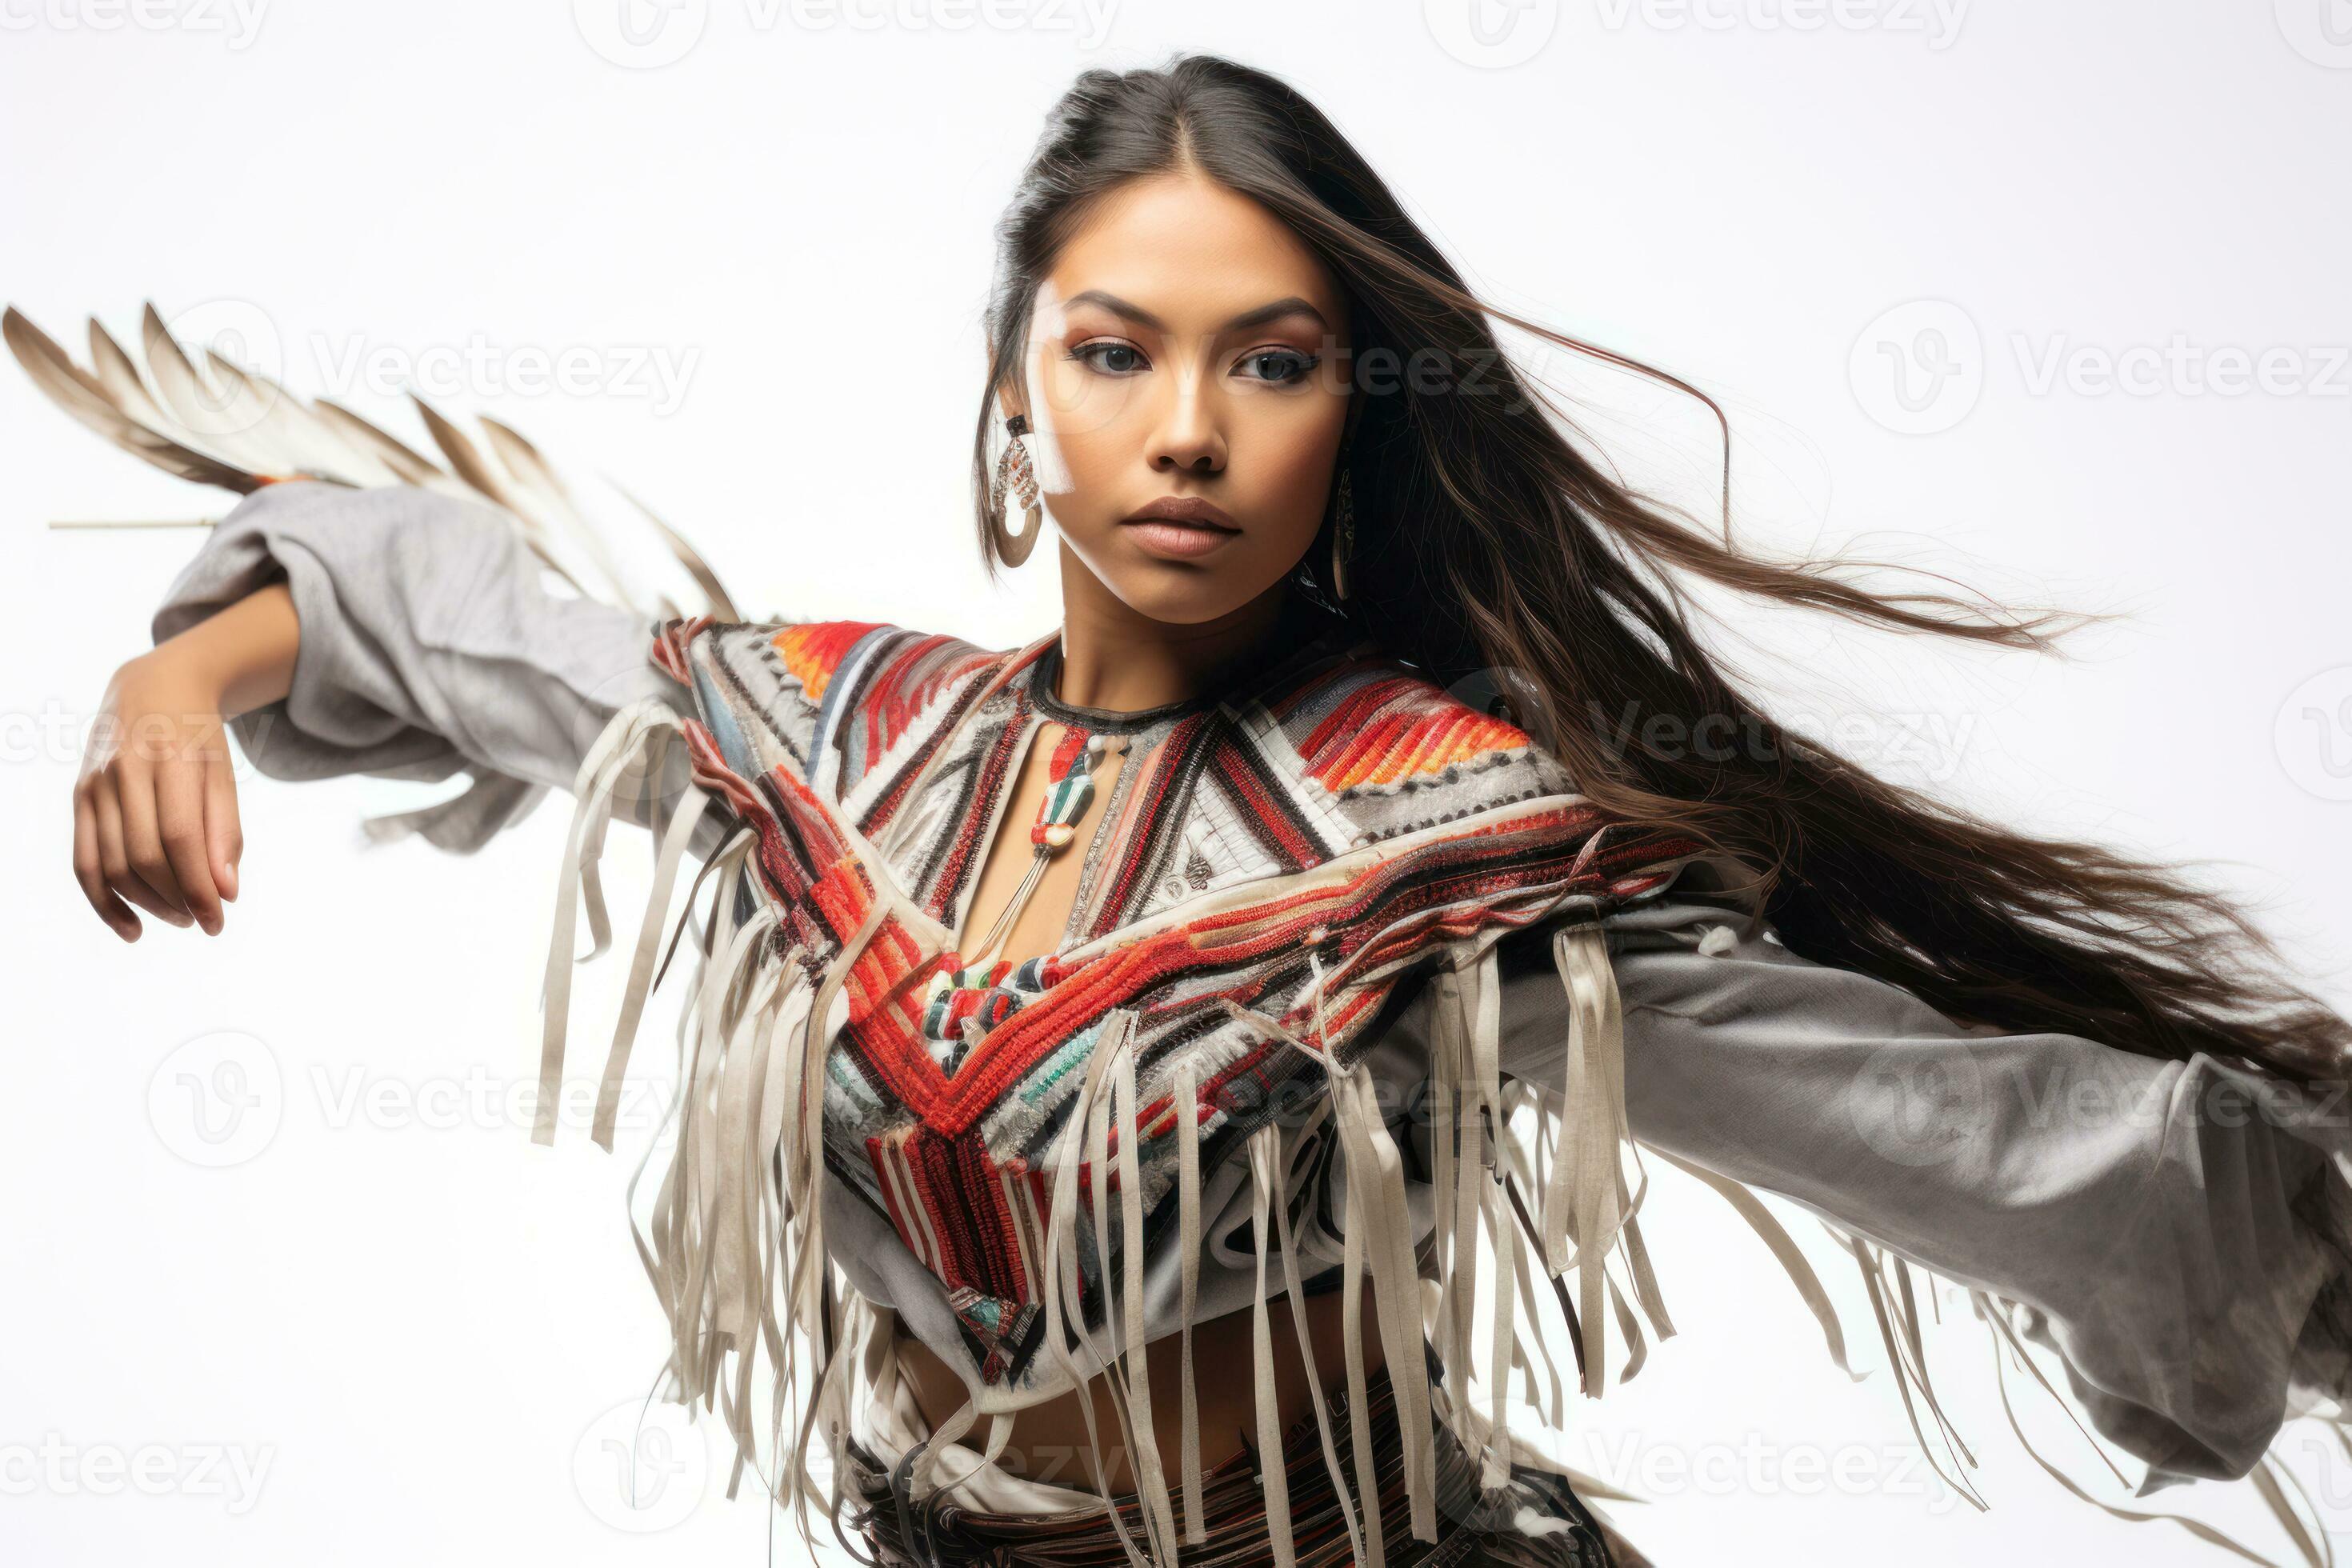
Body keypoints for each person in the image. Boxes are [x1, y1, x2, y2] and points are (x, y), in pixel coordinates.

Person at [63, 53, 2352, 1568]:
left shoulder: (1454, 854)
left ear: (1352, 416)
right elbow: (436, 613)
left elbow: (2014, 1153)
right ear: (1013, 398)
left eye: (1269, 361)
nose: (1184, 429)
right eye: (1113, 348)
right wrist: (177, 676)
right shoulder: (828, 742)